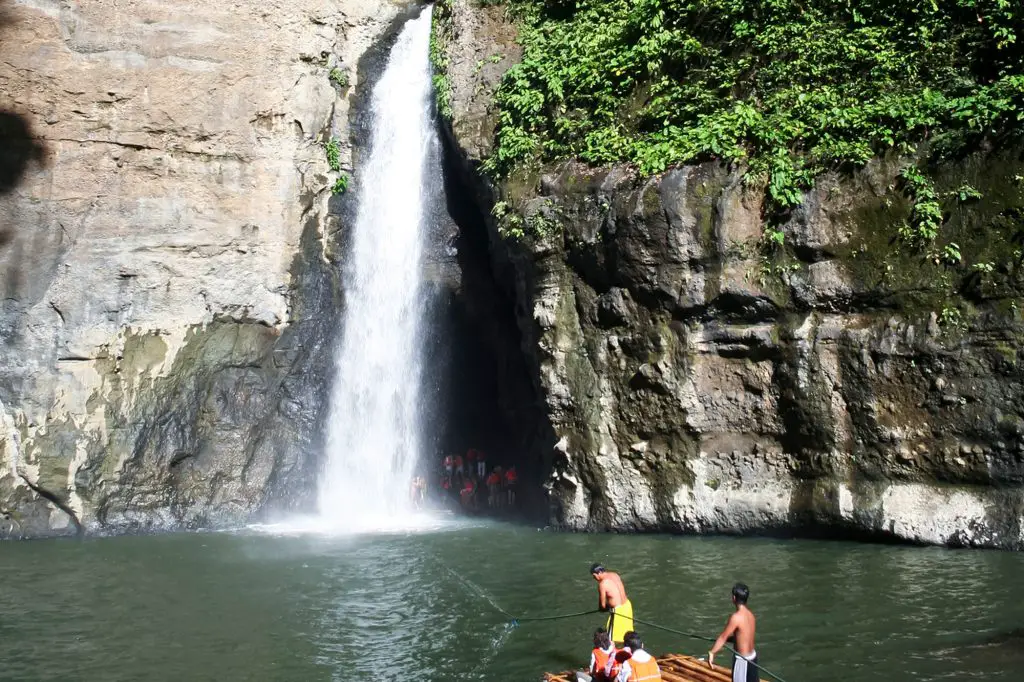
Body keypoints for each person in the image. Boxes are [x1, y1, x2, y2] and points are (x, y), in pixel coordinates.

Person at [708, 583, 758, 682]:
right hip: (753, 658)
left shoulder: (736, 617)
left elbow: (722, 637)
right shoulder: (751, 615)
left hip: (742, 661)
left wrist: (712, 652)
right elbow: (743, 637)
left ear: (734, 598)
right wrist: (728, 639)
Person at [591, 564, 633, 646]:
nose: (594, 578)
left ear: (599, 573)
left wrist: (604, 608)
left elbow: (602, 606)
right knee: (627, 634)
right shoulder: (615, 574)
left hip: (618, 611)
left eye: (594, 576)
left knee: (611, 638)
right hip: (627, 606)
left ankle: (612, 652)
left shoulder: (602, 584)